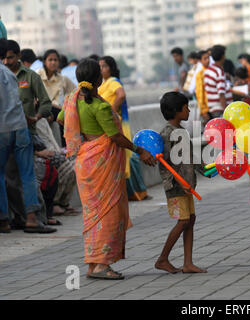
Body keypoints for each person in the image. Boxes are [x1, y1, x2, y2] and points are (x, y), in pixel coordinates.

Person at [57, 58, 156, 279]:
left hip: (85, 161)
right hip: (102, 163)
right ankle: (102, 265)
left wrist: (83, 136)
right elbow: (115, 137)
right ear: (98, 79)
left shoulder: (72, 101)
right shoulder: (100, 106)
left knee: (93, 214)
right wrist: (140, 151)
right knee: (108, 213)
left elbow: (62, 119)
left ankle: (94, 264)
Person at [0, 39, 55, 234]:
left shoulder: (29, 76)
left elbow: (44, 103)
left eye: (11, 57)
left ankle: (5, 220)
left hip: (7, 131)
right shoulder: (9, 75)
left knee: (7, 175)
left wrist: (36, 117)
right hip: (19, 128)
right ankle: (29, 218)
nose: (7, 61)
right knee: (23, 176)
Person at [155, 92, 207, 274]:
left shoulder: (181, 132)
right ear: (177, 111)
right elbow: (166, 165)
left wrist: (205, 169)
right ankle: (162, 259)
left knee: (190, 219)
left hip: (186, 186)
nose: (189, 110)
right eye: (186, 107)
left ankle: (188, 263)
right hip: (176, 187)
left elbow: (189, 157)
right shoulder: (167, 134)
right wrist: (180, 181)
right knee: (183, 220)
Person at [98, 55, 150, 201]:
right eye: (100, 66)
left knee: (127, 157)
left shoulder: (113, 82)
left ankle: (136, 192)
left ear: (111, 68)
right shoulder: (102, 85)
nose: (102, 69)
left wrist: (112, 112)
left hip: (116, 124)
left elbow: (121, 95)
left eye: (104, 66)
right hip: (107, 125)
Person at [37, 49, 76, 147]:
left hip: (57, 113)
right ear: (45, 62)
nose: (53, 62)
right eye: (50, 60)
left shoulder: (63, 79)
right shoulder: (37, 76)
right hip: (40, 111)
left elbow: (75, 93)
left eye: (55, 60)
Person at [204, 45, 233, 119]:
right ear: (223, 56)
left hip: (212, 108)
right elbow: (221, 94)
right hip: (220, 109)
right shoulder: (219, 72)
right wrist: (227, 111)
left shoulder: (208, 70)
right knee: (226, 130)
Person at [195, 50, 210, 123]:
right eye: (205, 58)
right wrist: (203, 111)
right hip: (207, 109)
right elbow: (200, 94)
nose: (208, 60)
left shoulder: (212, 71)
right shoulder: (200, 74)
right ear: (200, 61)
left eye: (208, 58)